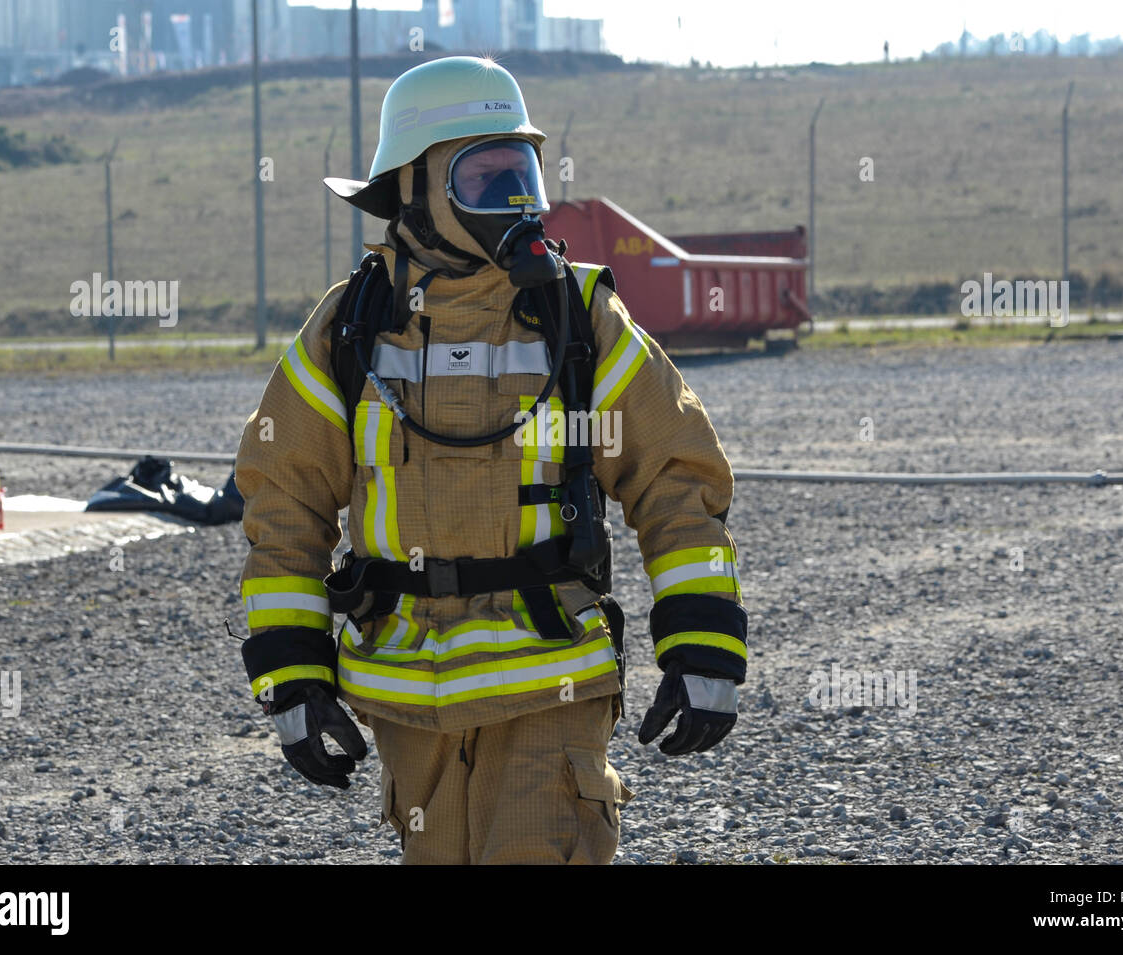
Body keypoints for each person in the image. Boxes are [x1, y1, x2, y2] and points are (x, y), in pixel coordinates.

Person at [234, 55, 748, 865]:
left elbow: (675, 479)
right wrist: (291, 670)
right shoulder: (350, 330)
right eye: (486, 178)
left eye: (523, 176)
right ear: (414, 191)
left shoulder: (578, 318)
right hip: (407, 702)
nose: (516, 203)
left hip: (553, 682)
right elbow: (284, 500)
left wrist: (703, 641)